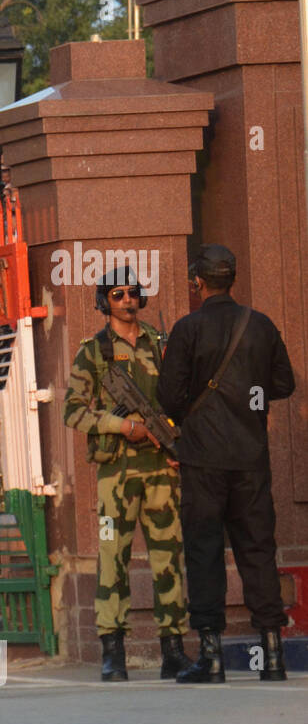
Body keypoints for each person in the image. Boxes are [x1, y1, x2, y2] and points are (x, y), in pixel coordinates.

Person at [159, 244, 296, 682]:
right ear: (232, 279)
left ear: (197, 281)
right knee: (258, 549)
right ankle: (273, 655)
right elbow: (283, 383)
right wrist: (247, 402)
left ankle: (211, 657)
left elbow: (169, 396)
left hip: (202, 459)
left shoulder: (187, 328)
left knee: (204, 552)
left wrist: (195, 419)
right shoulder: (260, 325)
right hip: (251, 458)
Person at [62, 267, 190, 680]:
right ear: (104, 302)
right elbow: (73, 411)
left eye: (133, 292)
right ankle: (112, 652)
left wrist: (174, 442)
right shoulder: (94, 352)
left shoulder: (160, 344)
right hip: (115, 473)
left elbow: (182, 401)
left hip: (159, 469)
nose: (128, 300)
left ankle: (173, 648)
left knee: (168, 558)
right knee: (111, 558)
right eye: (118, 294)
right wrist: (123, 426)